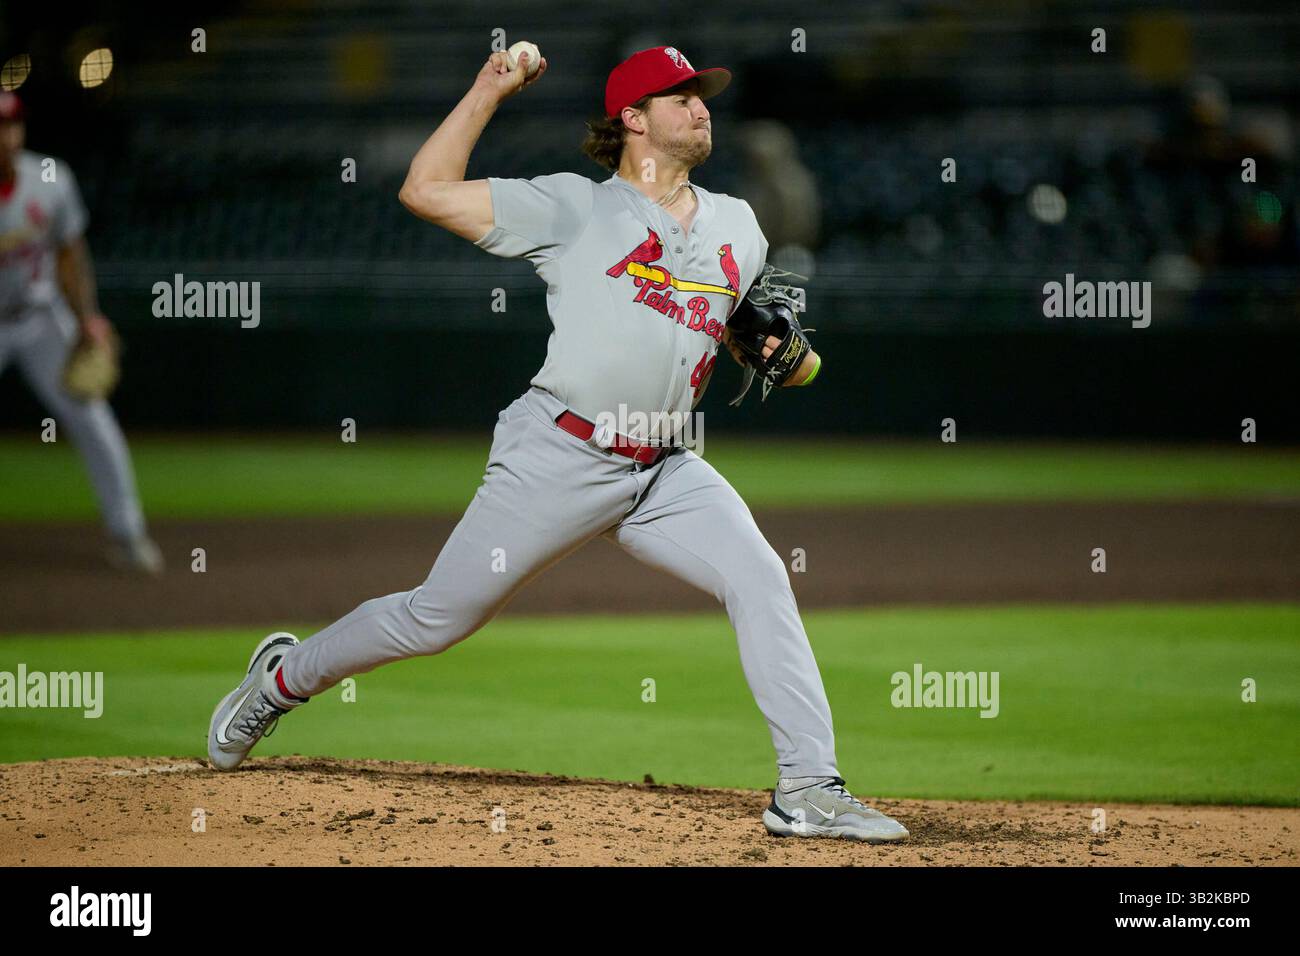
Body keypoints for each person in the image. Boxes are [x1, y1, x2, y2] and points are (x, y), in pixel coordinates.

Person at [207, 45, 907, 843]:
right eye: (678, 96)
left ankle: (808, 788)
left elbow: (760, 342)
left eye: (702, 93)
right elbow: (423, 189)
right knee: (436, 619)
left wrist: (788, 358)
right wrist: (487, 89)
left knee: (761, 579)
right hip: (561, 454)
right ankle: (283, 678)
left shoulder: (738, 225)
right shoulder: (574, 207)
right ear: (633, 121)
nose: (700, 106)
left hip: (667, 468)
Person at [0, 92, 161, 573]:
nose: (6, 136)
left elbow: (69, 254)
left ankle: (128, 533)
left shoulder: (49, 179)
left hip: (40, 316)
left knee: (94, 421)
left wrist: (86, 317)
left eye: (12, 125)